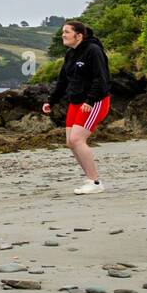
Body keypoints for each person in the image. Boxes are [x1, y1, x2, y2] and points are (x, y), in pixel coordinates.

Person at [42, 19, 111, 195]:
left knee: (77, 140)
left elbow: (101, 80)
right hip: (75, 101)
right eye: (62, 32)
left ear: (79, 35)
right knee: (70, 142)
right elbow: (63, 80)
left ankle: (94, 182)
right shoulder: (70, 54)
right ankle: (90, 178)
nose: (63, 35)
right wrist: (51, 100)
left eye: (67, 32)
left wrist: (90, 101)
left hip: (94, 102)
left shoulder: (93, 50)